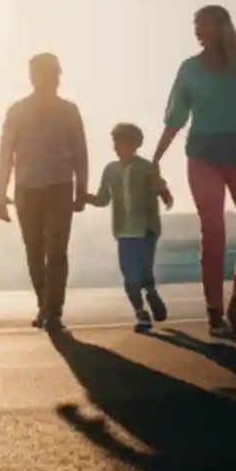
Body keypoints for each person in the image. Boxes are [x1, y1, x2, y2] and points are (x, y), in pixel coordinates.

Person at [151, 5, 236, 338]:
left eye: (204, 25)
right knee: (212, 234)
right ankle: (214, 313)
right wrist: (156, 157)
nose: (198, 31)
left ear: (223, 27)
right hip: (204, 157)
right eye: (195, 25)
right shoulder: (189, 70)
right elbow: (175, 118)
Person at [0, 52, 89, 331]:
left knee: (57, 250)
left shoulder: (68, 110)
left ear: (58, 75)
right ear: (32, 77)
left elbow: (80, 153)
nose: (48, 78)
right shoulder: (18, 110)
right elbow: (5, 155)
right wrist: (1, 195)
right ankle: (44, 305)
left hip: (60, 187)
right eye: (40, 72)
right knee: (34, 250)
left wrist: (82, 190)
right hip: (26, 189)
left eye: (51, 72)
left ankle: (54, 311)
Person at [87, 123, 173, 333]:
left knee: (144, 271)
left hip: (146, 230)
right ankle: (140, 313)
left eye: (122, 141)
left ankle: (151, 292)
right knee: (129, 275)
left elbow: (160, 187)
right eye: (115, 141)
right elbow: (102, 199)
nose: (117, 146)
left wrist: (166, 196)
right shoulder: (110, 170)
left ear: (135, 144)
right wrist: (83, 198)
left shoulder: (147, 167)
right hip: (123, 232)